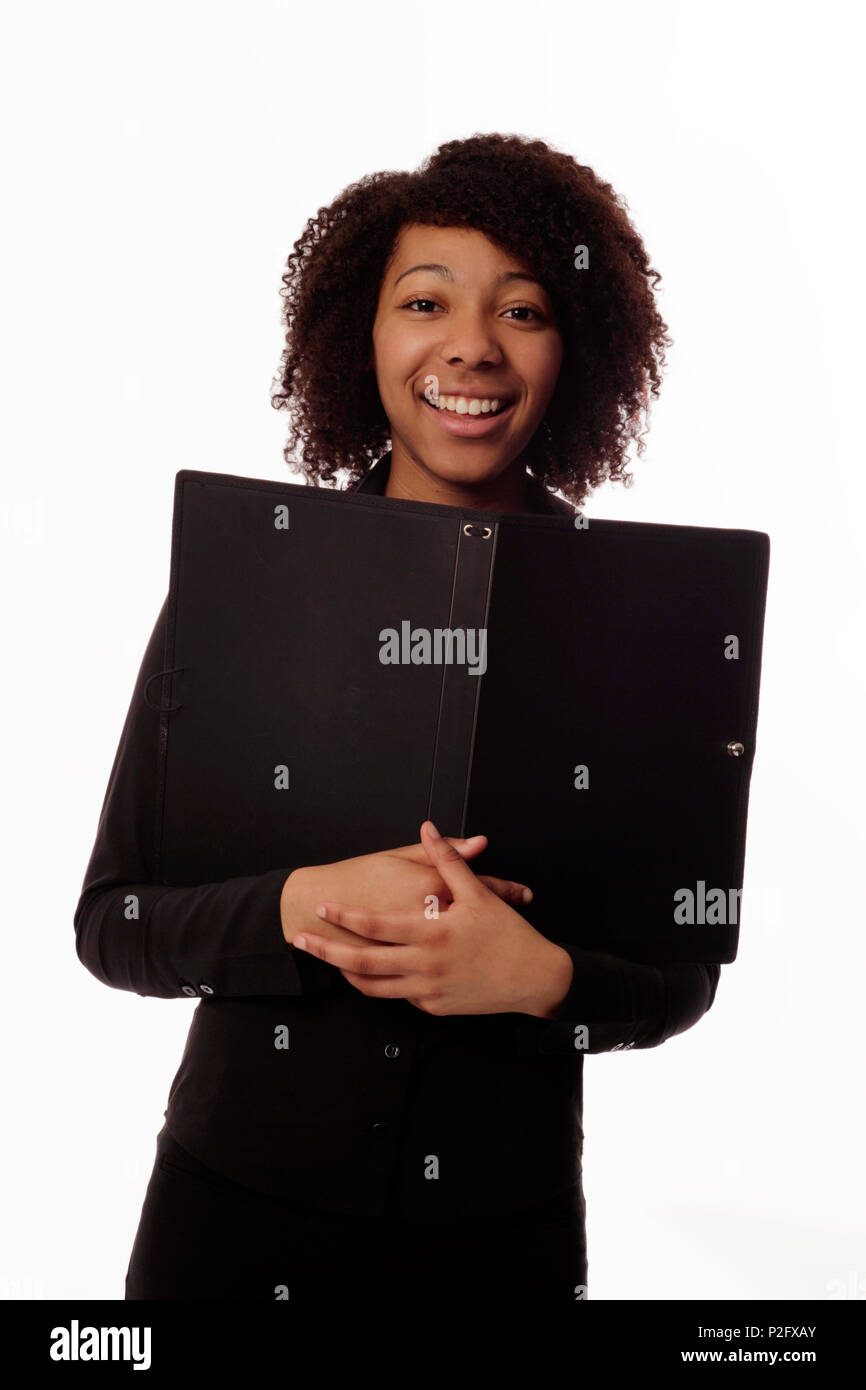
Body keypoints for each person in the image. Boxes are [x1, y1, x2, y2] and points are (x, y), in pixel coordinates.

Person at [74, 133, 719, 1309]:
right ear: (360, 334)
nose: (471, 343)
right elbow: (114, 922)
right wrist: (310, 904)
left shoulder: (643, 617)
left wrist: (544, 978)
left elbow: (682, 966)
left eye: (521, 309)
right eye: (425, 301)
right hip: (229, 1221)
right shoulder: (247, 581)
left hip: (499, 1244)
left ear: (575, 347)